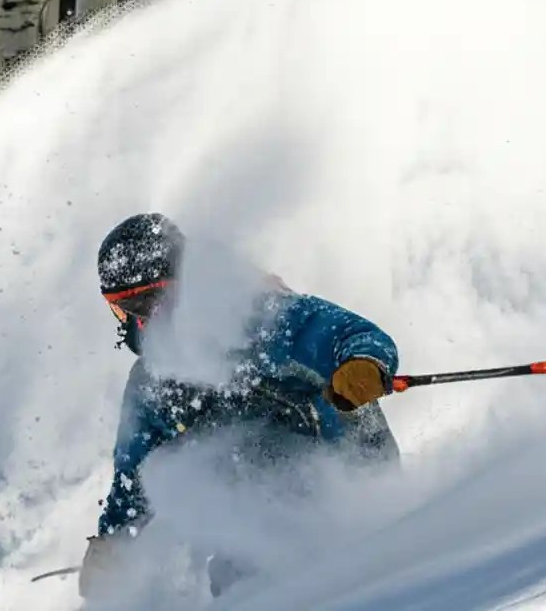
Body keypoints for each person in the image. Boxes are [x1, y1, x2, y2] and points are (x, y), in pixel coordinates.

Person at [80, 213, 400, 598]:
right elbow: (136, 471)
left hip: (347, 476)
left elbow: (349, 332)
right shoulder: (151, 382)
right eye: (122, 309)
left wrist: (364, 363)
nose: (139, 321)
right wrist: (115, 541)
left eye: (148, 302)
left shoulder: (256, 314)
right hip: (256, 507)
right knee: (234, 573)